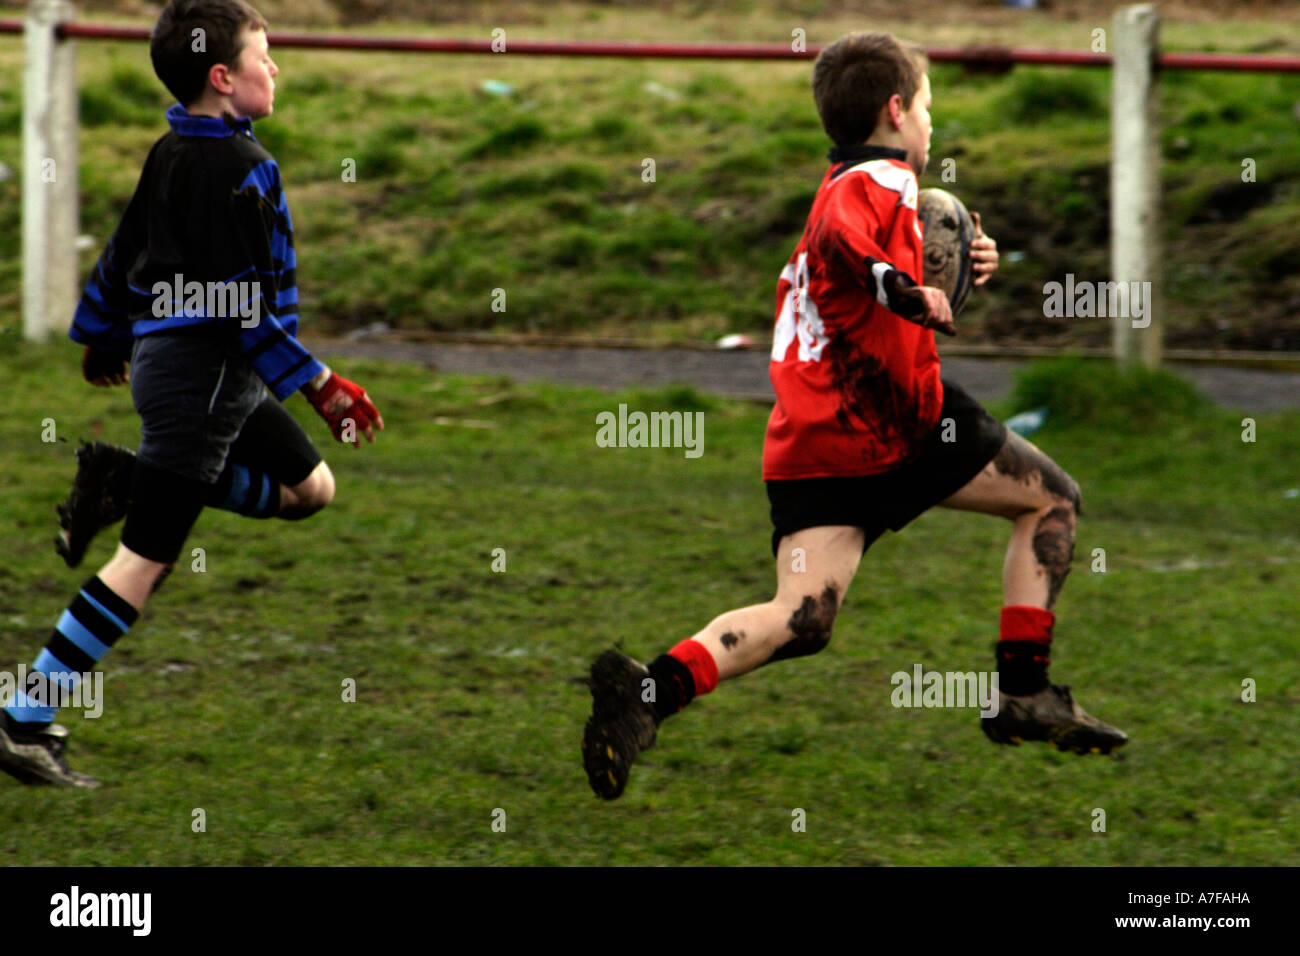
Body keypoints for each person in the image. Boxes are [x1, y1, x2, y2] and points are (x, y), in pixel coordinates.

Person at [582, 31, 1126, 801]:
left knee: (802, 617)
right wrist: (900, 288)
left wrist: (964, 264)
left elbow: (864, 256)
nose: (932, 123)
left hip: (817, 439)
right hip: (899, 423)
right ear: (896, 110)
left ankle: (648, 694)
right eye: (928, 106)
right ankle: (1025, 692)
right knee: (1053, 499)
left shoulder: (858, 187)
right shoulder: (878, 181)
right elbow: (852, 246)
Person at [0, 0, 382, 788]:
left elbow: (125, 247)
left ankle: (131, 479)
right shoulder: (238, 169)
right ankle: (22, 718)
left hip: (199, 374)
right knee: (143, 562)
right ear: (223, 77)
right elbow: (240, 306)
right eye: (263, 56)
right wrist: (318, 383)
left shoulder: (176, 148)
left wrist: (101, 330)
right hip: (202, 381)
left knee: (310, 489)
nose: (274, 68)